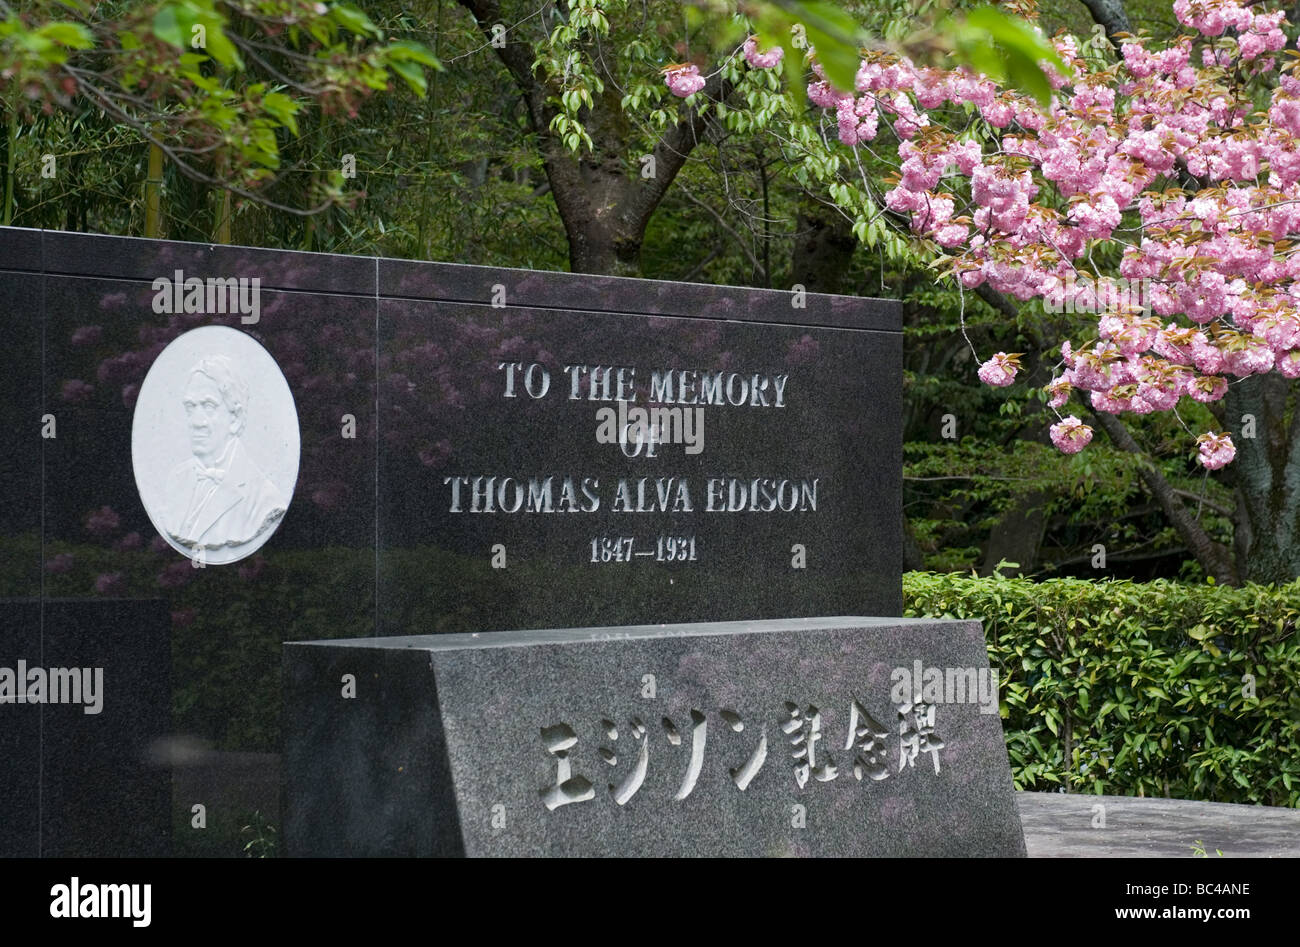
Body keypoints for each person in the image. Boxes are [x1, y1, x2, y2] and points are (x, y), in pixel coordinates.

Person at [163, 355, 286, 551]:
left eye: (208, 406)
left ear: (235, 418)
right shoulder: (175, 481)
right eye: (190, 407)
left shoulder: (264, 499)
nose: (196, 421)